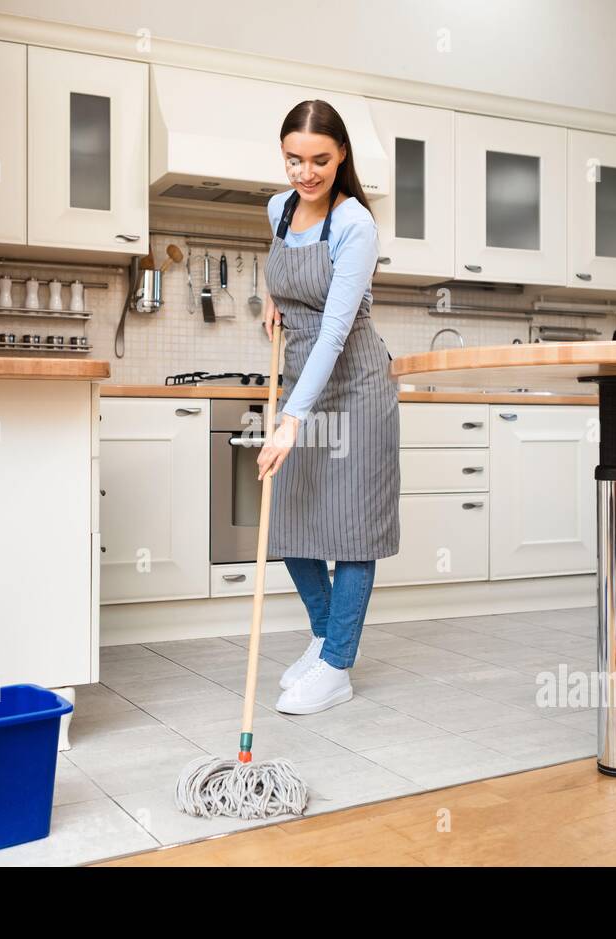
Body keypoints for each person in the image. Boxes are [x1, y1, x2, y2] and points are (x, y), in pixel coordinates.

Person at [255, 99, 401, 716]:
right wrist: (272, 298)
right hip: (304, 379)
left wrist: (291, 419)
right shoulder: (279, 210)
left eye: (318, 160)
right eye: (294, 160)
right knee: (290, 522)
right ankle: (323, 637)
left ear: (341, 155)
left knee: (354, 532)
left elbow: (337, 329)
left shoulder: (355, 225)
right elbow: (286, 273)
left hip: (356, 386)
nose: (305, 173)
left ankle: (338, 665)